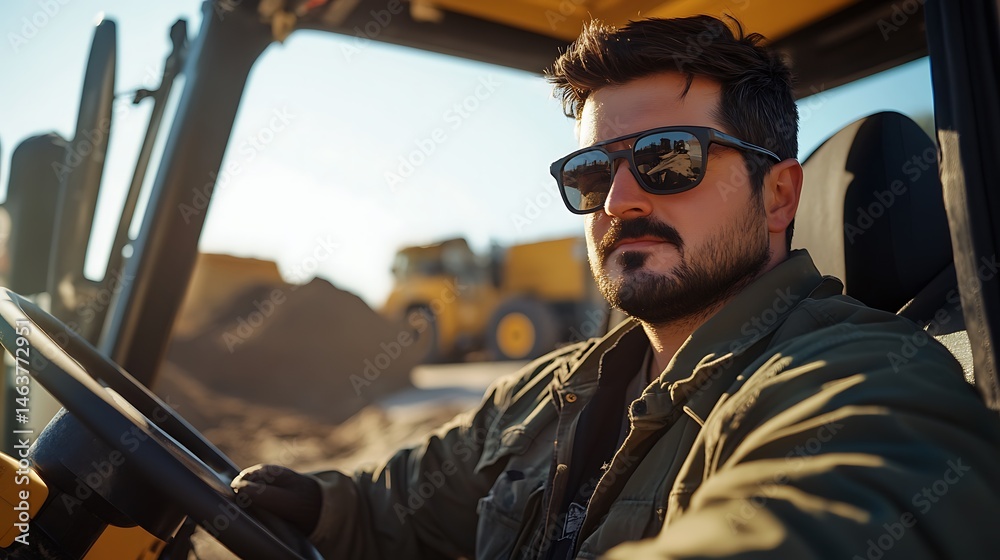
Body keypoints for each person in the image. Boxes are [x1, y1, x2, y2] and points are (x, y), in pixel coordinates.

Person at [232, 15, 1000, 559]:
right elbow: (396, 508)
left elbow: (852, 502)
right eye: (592, 173)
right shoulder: (547, 394)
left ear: (779, 197)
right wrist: (318, 505)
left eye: (669, 160)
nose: (620, 200)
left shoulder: (855, 374)